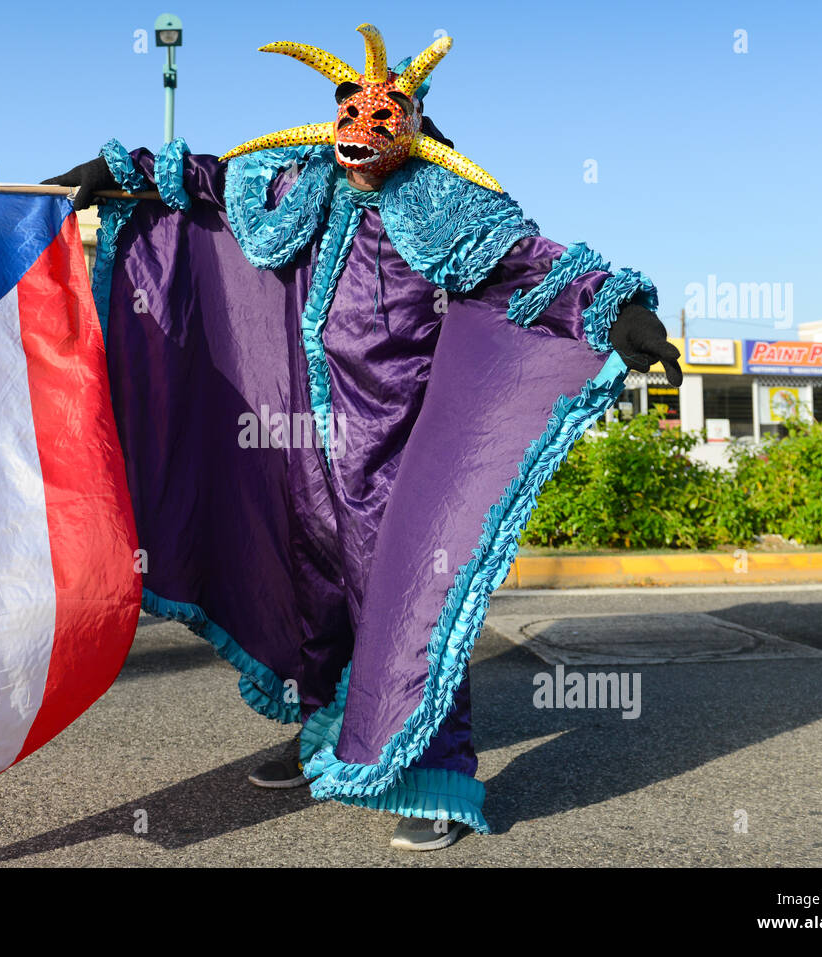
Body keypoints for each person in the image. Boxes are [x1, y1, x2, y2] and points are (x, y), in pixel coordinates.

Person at [45, 23, 681, 851]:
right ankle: (324, 736)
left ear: (413, 119)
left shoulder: (443, 197)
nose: (366, 123)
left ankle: (438, 778)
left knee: (412, 603)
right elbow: (210, 180)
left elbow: (529, 262)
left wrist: (618, 309)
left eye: (387, 110)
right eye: (352, 106)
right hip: (303, 444)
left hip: (396, 447)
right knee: (315, 597)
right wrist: (118, 172)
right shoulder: (305, 181)